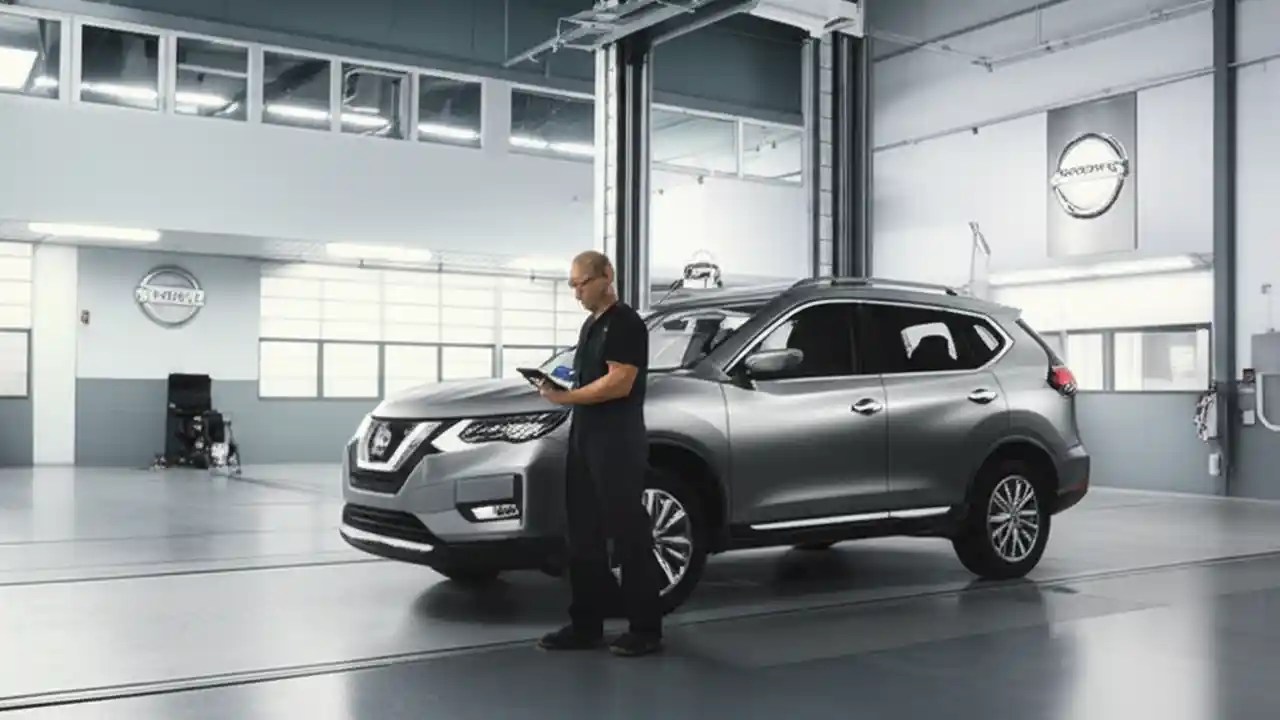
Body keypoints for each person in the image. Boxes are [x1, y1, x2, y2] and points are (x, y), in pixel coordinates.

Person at [535, 250, 664, 657]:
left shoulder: (625, 323)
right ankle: (585, 625)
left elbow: (619, 383)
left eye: (582, 283)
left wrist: (567, 396)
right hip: (584, 437)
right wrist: (558, 387)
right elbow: (590, 378)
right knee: (582, 535)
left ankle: (645, 629)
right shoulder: (590, 326)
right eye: (572, 285)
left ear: (607, 276)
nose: (577, 293)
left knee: (628, 534)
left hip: (617, 441)